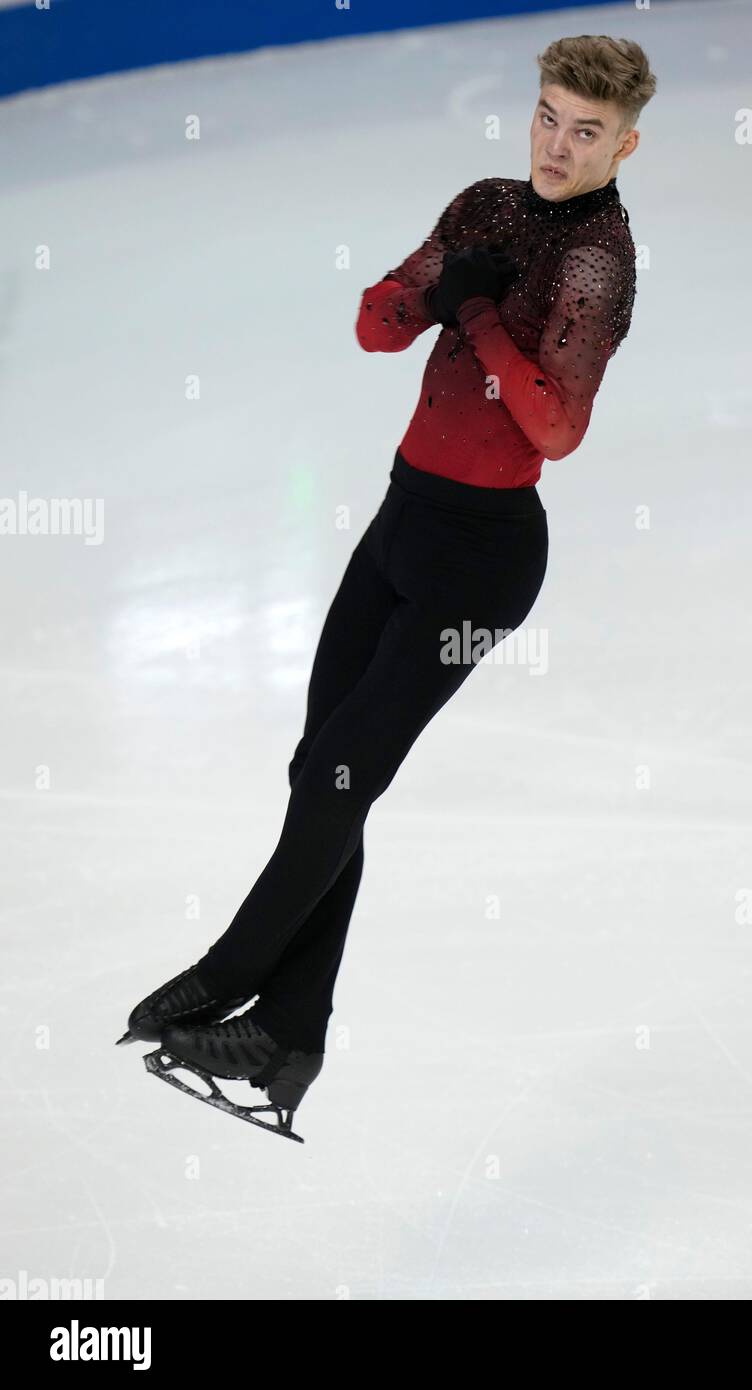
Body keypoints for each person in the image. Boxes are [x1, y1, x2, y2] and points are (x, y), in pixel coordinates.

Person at [120, 34, 656, 1141]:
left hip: (484, 563)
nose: (558, 146)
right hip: (401, 519)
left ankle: (234, 973)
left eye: (587, 131)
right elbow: (373, 321)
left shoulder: (596, 259)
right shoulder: (486, 205)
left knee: (340, 771)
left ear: (627, 143)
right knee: (325, 769)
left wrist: (471, 315)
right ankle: (292, 1027)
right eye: (549, 116)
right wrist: (426, 296)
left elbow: (555, 425)